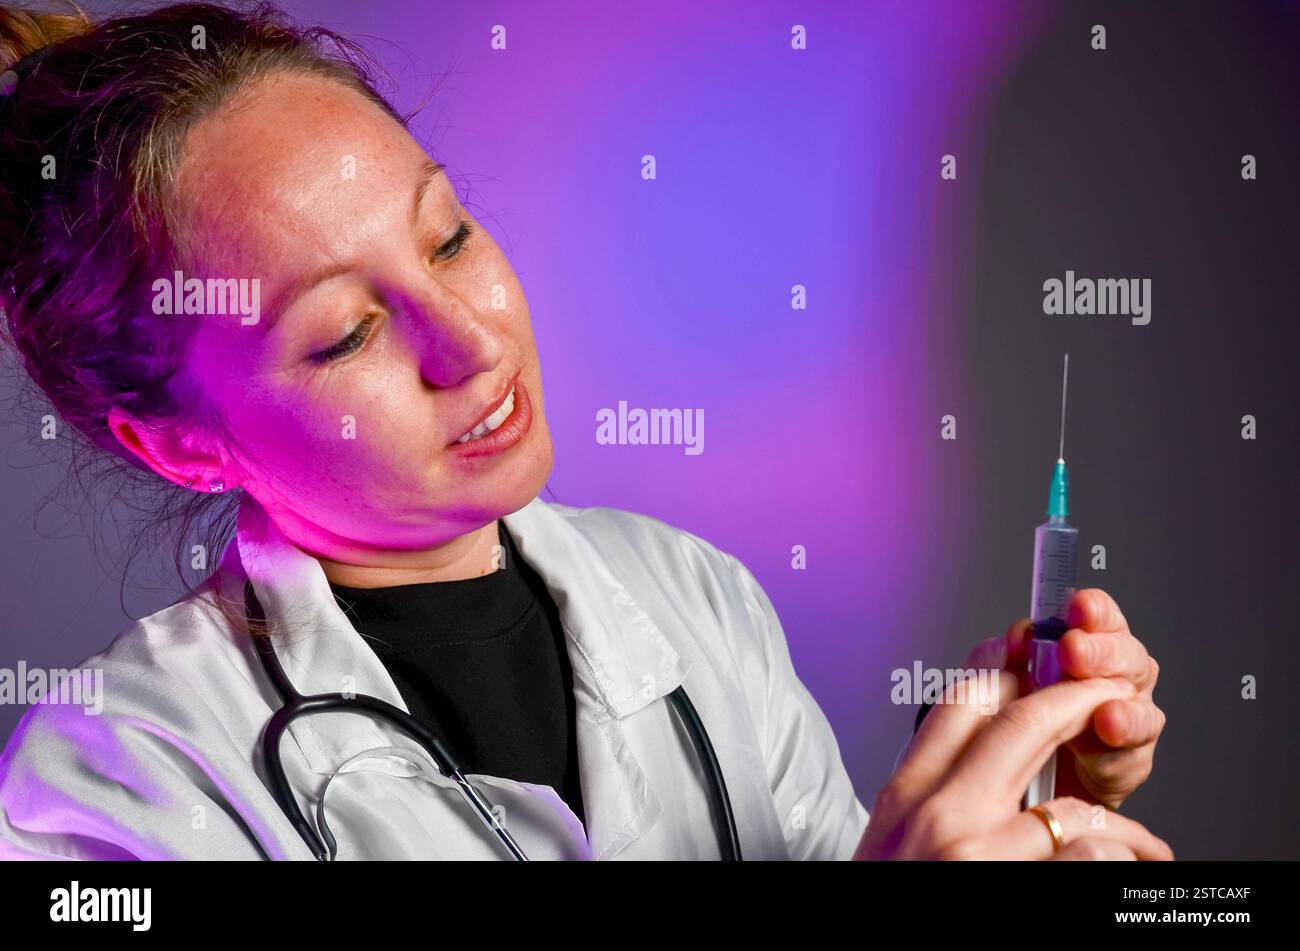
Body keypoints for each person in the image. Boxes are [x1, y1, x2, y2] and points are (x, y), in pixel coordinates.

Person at [0, 1, 1169, 860]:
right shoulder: (121, 776)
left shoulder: (692, 597)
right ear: (177, 443)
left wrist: (1030, 807)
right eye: (348, 332)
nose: (470, 339)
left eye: (449, 237)